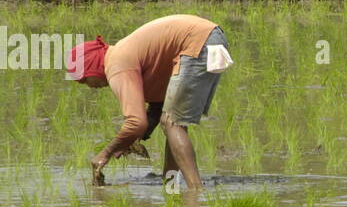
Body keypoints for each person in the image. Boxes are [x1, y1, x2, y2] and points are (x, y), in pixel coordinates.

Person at [65, 14, 233, 189]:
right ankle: (170, 186)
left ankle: (195, 190)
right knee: (173, 122)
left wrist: (105, 154)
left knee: (172, 123)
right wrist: (133, 139)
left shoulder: (116, 65)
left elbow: (136, 122)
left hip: (198, 42)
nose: (89, 86)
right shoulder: (124, 54)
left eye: (84, 80)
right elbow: (157, 108)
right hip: (211, 37)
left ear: (91, 65)